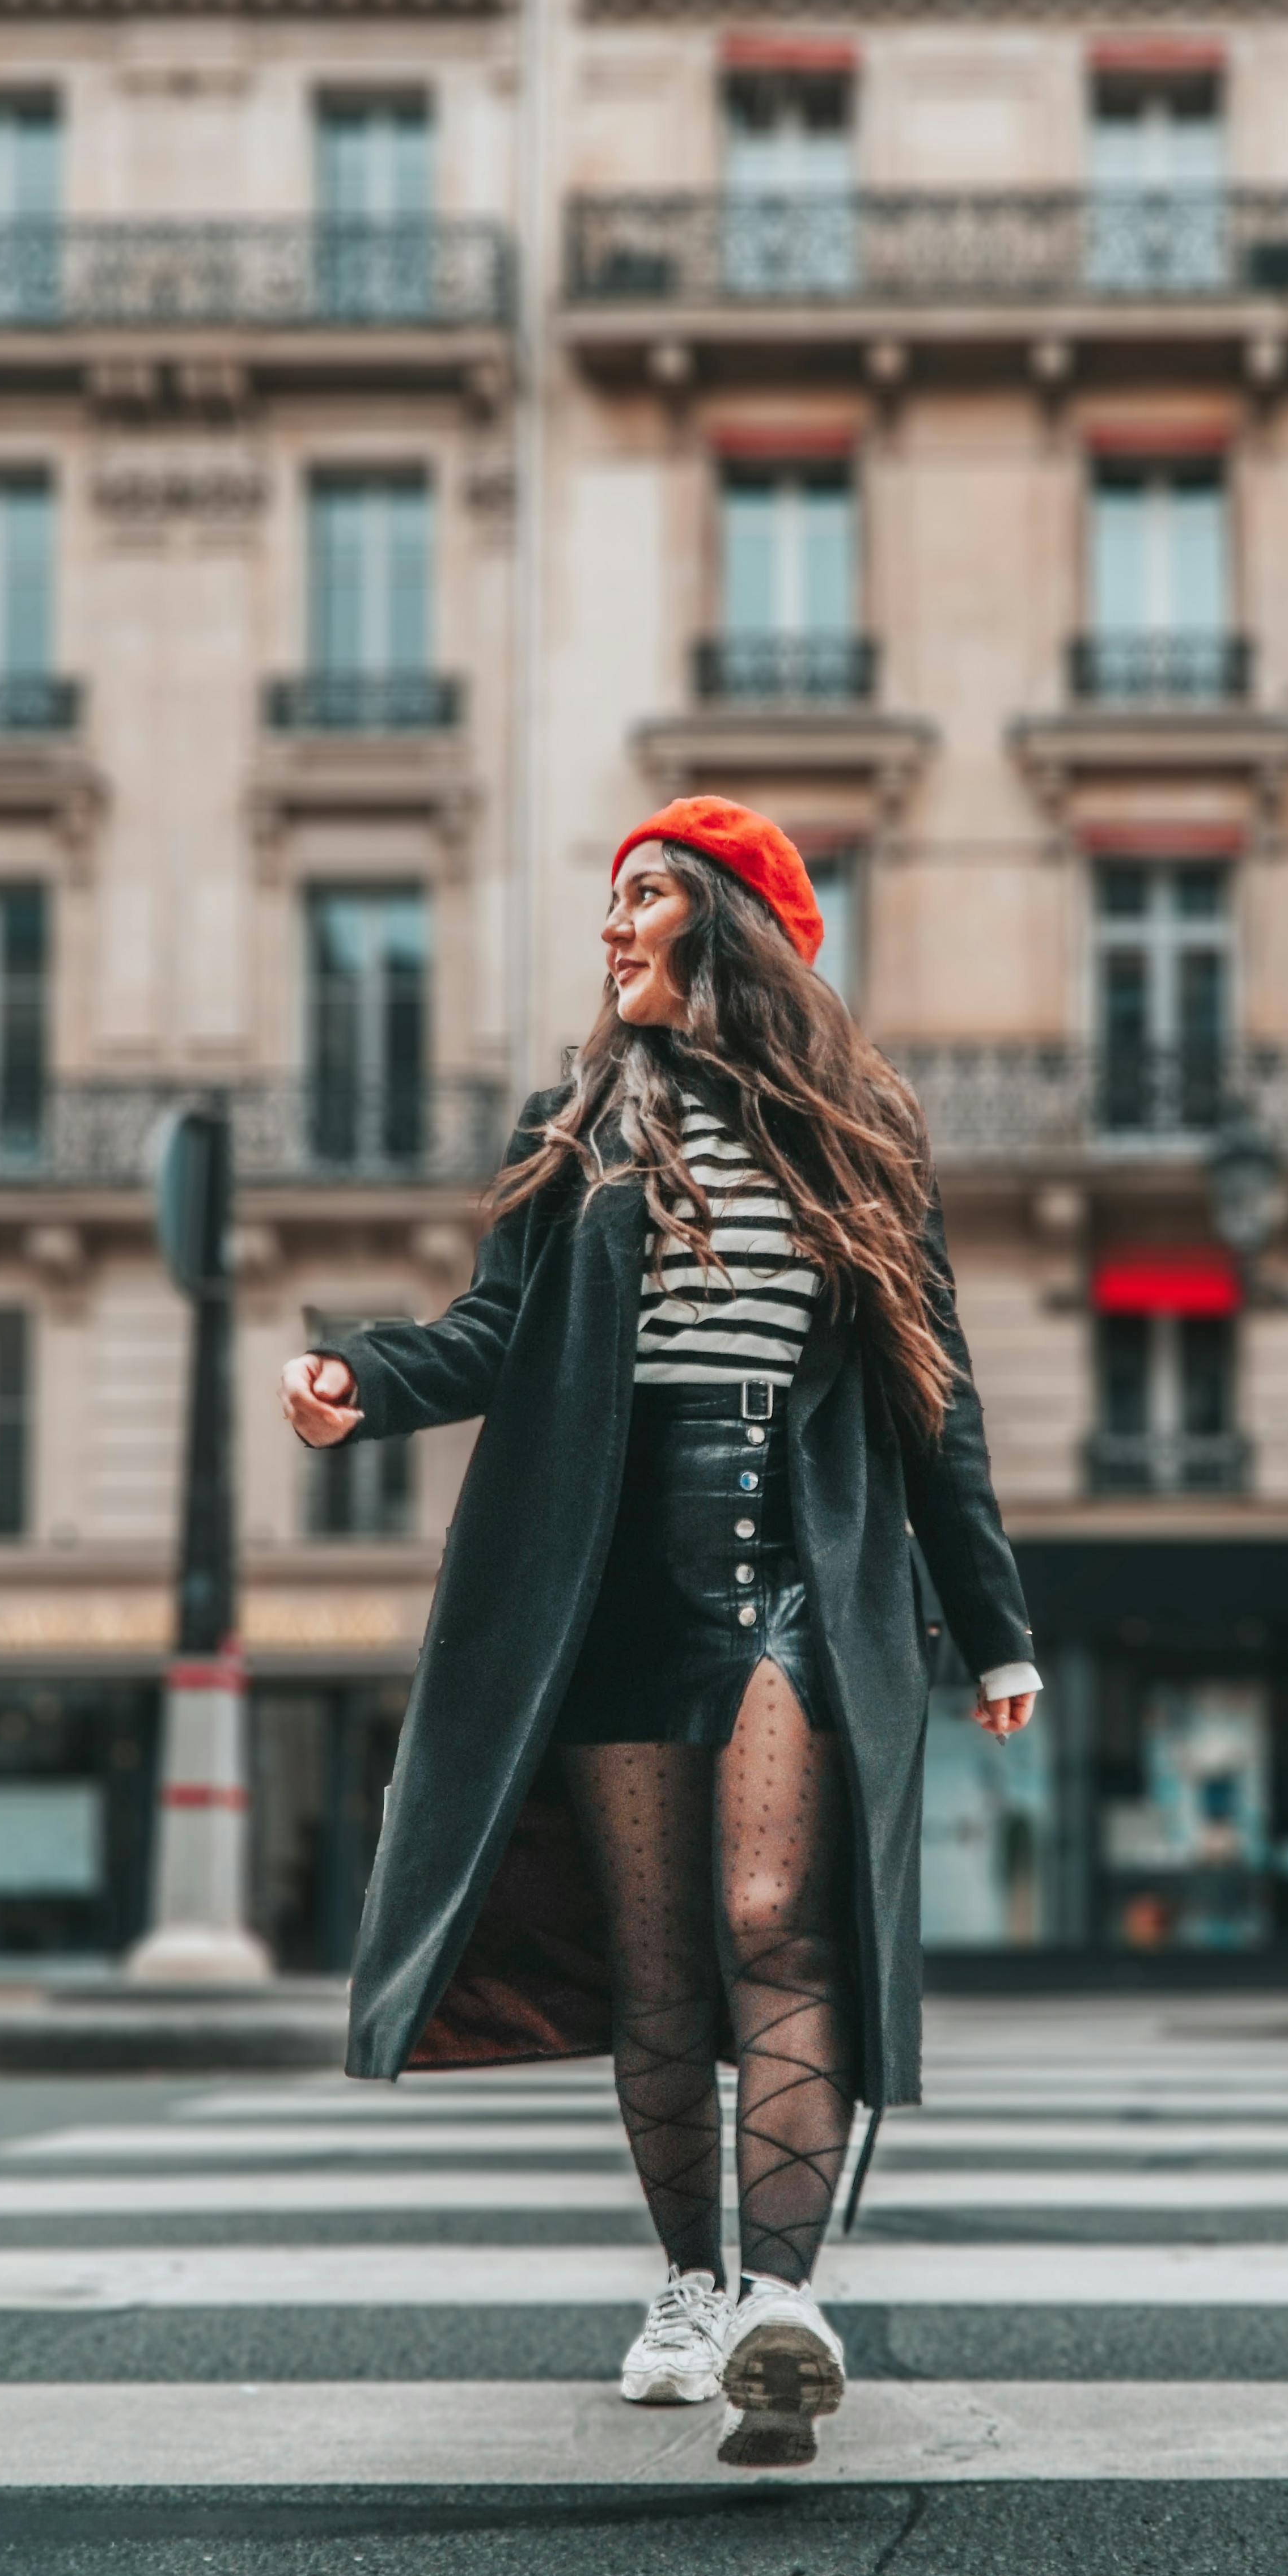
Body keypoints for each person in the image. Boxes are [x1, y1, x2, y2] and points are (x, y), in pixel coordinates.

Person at [282, 795, 1039, 2464]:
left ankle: (781, 2300)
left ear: (728, 920)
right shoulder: (574, 1128)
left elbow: (934, 1403)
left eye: (642, 897)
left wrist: (993, 1627)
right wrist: (357, 1377)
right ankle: (690, 2282)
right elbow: (493, 1334)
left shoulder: (861, 1140)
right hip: (608, 1584)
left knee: (773, 1915)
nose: (613, 928)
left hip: (792, 1581)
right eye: (612, 901)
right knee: (654, 1972)